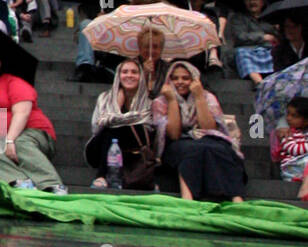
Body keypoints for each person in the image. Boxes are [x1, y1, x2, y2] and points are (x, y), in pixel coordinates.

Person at [0, 41, 65, 193]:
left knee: (20, 142)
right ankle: (19, 182)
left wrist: (10, 139)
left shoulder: (13, 83)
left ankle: (52, 185)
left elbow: (22, 112)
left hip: (32, 132)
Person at [153, 60, 245, 201]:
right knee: (192, 149)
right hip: (177, 143)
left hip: (207, 138)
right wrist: (171, 100)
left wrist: (199, 96)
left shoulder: (207, 97)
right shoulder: (161, 101)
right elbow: (174, 134)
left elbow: (209, 128)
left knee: (222, 149)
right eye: (175, 78)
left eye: (185, 78)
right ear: (169, 80)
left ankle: (236, 198)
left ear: (194, 79)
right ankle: (187, 197)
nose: (180, 82)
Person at [86, 57, 156, 189]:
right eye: (125, 72)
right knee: (112, 130)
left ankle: (107, 176)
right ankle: (101, 175)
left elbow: (148, 127)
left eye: (134, 72)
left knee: (117, 126)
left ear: (141, 76)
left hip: (136, 149)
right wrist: (117, 105)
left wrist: (117, 118)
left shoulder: (148, 101)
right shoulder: (105, 97)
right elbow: (96, 127)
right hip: (103, 146)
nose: (129, 75)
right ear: (118, 76)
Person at [227, 0, 277, 86]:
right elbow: (240, 36)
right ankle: (259, 83)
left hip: (267, 48)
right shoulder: (238, 18)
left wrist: (277, 29)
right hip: (248, 49)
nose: (252, 2)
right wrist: (263, 37)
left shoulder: (270, 17)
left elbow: (277, 36)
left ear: (262, 1)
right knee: (241, 53)